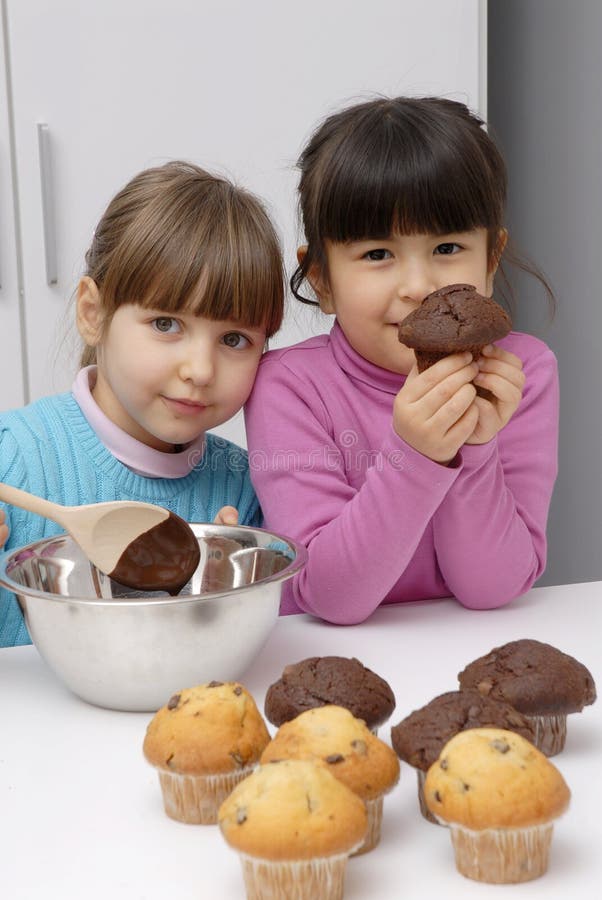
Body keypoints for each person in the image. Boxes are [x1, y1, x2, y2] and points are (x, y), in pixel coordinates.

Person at [245, 96, 558, 625]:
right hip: (334, 658)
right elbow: (329, 596)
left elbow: (493, 589)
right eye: (377, 254)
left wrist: (475, 446)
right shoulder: (289, 386)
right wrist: (417, 455)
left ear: (491, 257)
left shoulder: (521, 373)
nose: (418, 287)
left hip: (465, 652)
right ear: (320, 278)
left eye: (447, 248)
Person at [0, 161, 284, 646]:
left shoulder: (245, 487)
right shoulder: (15, 458)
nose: (200, 369)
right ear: (94, 313)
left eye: (234, 339)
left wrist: (227, 599)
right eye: (166, 324)